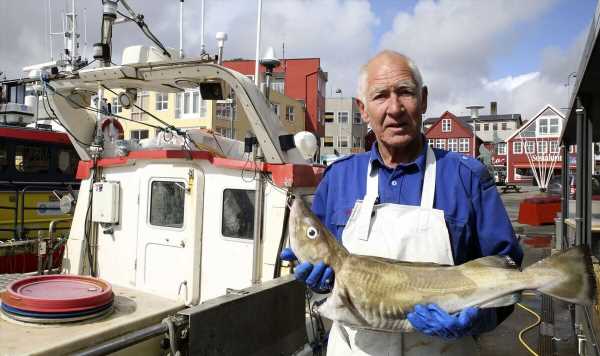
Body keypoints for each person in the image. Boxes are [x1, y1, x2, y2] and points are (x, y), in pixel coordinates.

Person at [281, 50, 523, 355]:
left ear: (422, 100)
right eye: (380, 95)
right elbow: (327, 279)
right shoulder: (338, 179)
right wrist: (315, 283)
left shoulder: (467, 178)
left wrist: (477, 319)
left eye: (405, 93)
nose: (394, 108)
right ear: (363, 109)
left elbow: (509, 274)